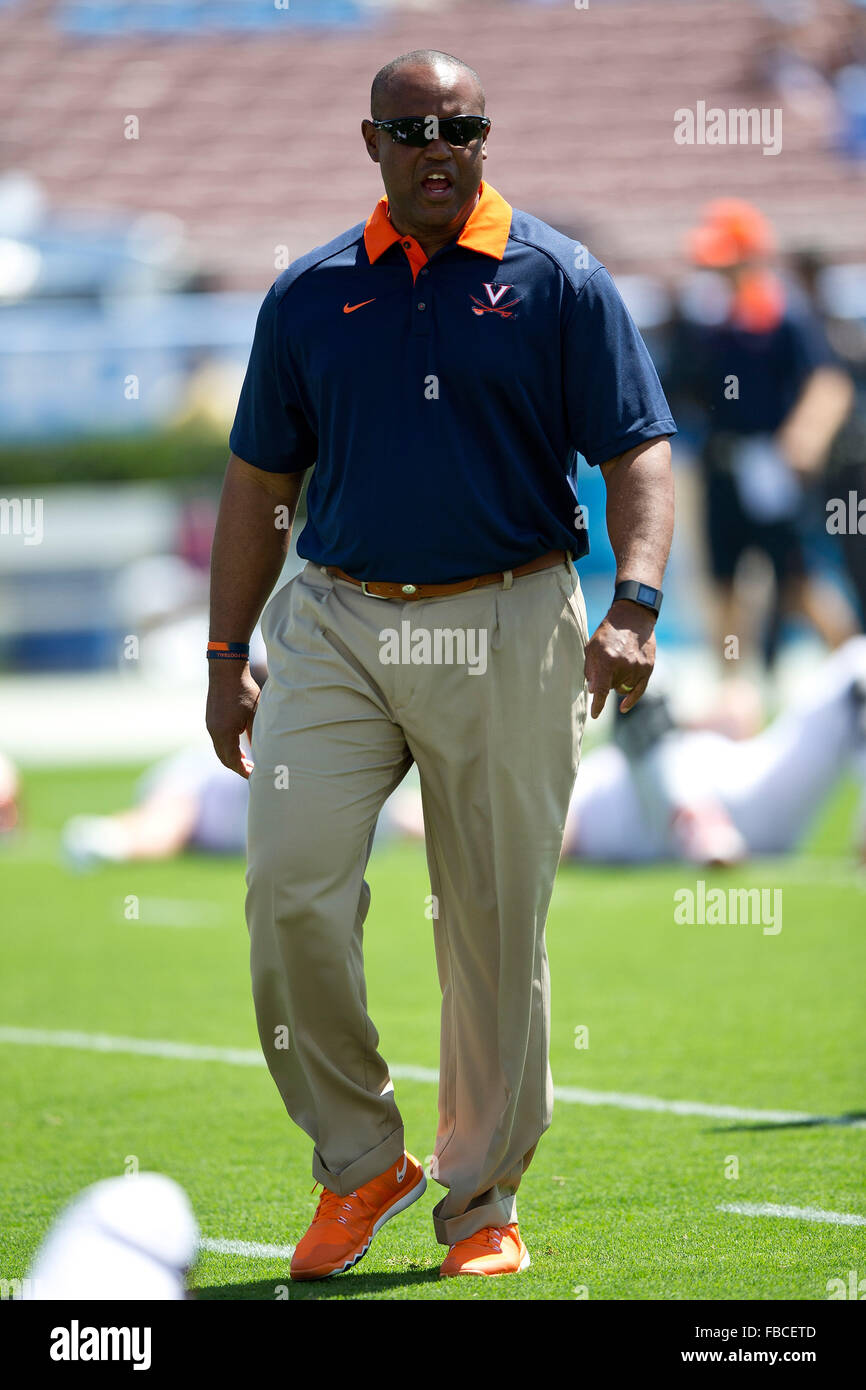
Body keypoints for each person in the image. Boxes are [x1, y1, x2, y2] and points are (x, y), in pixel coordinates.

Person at [206, 49, 675, 1280]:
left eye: (459, 126)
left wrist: (634, 602)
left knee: (491, 927)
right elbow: (259, 483)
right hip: (337, 622)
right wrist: (221, 652)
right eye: (411, 128)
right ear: (369, 142)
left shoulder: (559, 279)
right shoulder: (307, 294)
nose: (437, 147)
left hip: (512, 617)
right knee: (287, 892)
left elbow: (639, 451)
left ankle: (481, 1204)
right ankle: (360, 1162)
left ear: (485, 135)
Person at [673, 199, 856, 668]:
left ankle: (852, 666)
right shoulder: (708, 321)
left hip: (770, 466)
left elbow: (827, 382)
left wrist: (803, 439)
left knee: (796, 579)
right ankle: (733, 698)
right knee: (722, 585)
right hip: (722, 466)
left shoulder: (784, 315)